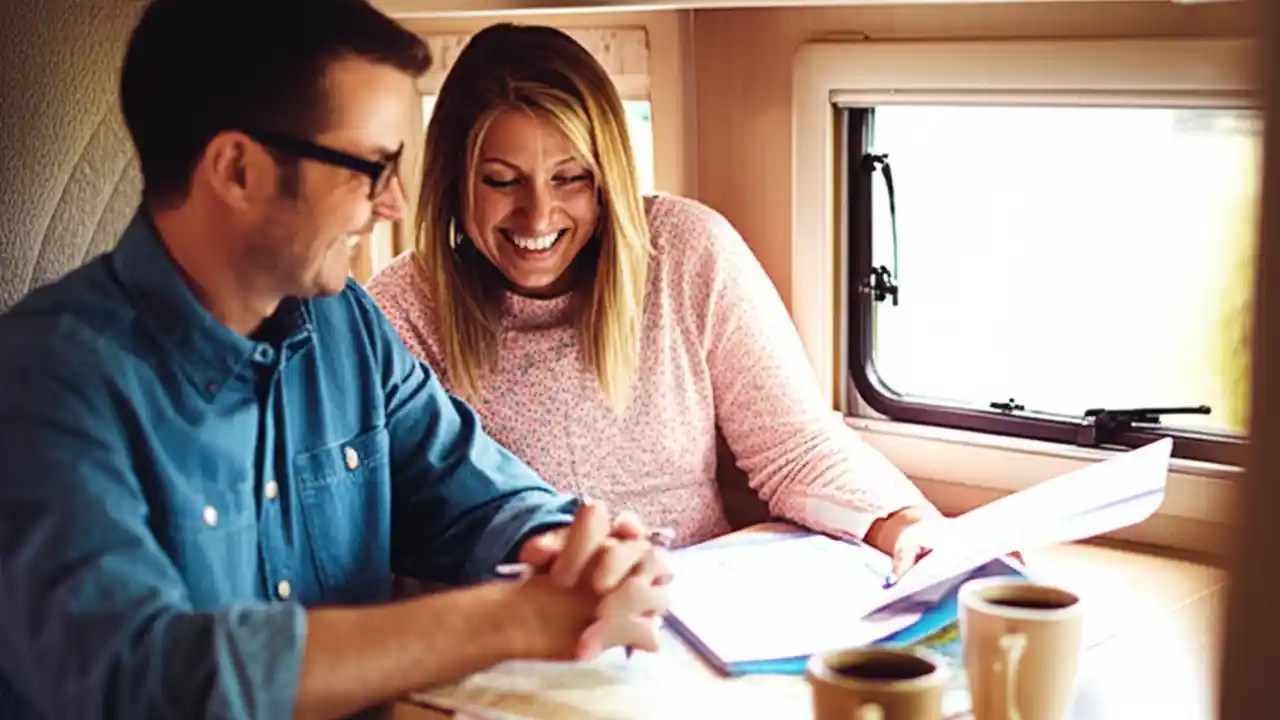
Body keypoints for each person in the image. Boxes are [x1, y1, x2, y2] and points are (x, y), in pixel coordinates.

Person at [0, 4, 669, 719]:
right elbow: (143, 676)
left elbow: (473, 493)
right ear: (238, 168)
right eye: (371, 168)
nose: (395, 203)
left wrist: (574, 551)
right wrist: (511, 619)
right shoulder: (43, 380)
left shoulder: (344, 325)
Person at [368, 23, 948, 579]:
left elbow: (795, 447)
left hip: (701, 605)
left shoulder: (685, 249)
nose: (538, 215)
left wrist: (905, 525)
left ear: (607, 177)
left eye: (569, 177)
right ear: (453, 183)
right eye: (502, 181)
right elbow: (403, 534)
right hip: (524, 633)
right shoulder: (398, 313)